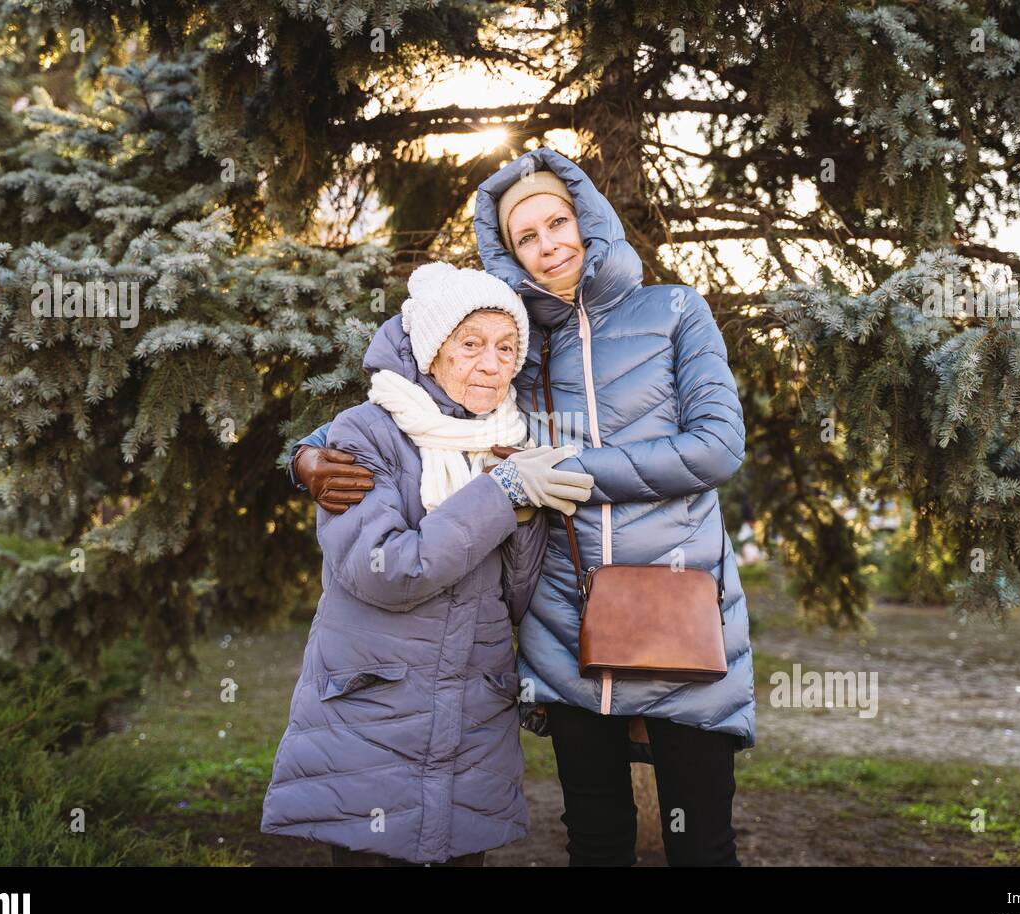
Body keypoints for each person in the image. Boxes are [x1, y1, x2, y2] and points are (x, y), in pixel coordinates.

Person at [290, 148, 752, 866]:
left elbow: (718, 447)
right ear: (509, 255)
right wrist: (305, 453)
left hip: (678, 610)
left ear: (588, 218)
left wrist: (561, 471)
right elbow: (420, 400)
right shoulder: (522, 342)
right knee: (596, 842)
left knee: (702, 844)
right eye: (525, 238)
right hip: (566, 624)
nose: (549, 246)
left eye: (557, 222)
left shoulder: (674, 311)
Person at [261, 261, 594, 866]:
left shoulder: (510, 439)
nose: (492, 364)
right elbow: (388, 570)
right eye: (470, 345)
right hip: (376, 716)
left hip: (472, 720)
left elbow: (514, 593)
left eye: (506, 347)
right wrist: (503, 494)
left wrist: (516, 498)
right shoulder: (366, 434)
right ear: (431, 350)